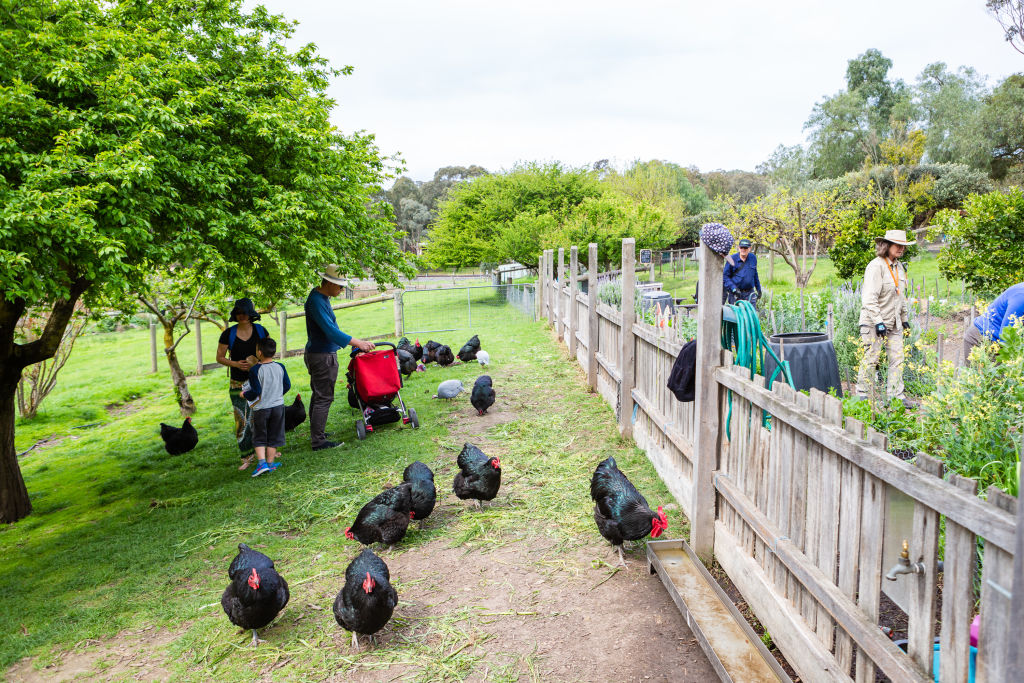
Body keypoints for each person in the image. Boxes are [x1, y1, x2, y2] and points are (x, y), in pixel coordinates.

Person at [304, 265, 375, 451]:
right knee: (324, 397)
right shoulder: (316, 301)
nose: (342, 290)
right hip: (321, 355)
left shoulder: (321, 297)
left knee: (318, 394)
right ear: (327, 282)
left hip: (320, 352)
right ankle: (318, 441)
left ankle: (317, 433)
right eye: (339, 286)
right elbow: (330, 331)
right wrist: (358, 343)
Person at [855, 229, 914, 407]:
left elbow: (900, 296)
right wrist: (879, 322)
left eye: (903, 246)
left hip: (894, 321)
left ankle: (896, 397)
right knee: (872, 358)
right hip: (874, 322)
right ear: (886, 246)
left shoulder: (899, 267)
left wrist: (904, 319)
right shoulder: (876, 266)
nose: (901, 249)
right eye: (898, 245)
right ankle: (862, 396)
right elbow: (869, 298)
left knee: (898, 358)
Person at [216, 298, 269, 470]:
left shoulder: (261, 331)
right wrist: (236, 364)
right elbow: (220, 357)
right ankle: (246, 456)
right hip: (237, 382)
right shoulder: (228, 334)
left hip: (260, 380)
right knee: (242, 419)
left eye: (245, 312)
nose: (242, 316)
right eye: (238, 313)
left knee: (262, 416)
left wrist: (257, 362)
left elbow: (269, 353)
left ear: (251, 313)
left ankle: (269, 451)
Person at [242, 337, 291, 478]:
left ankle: (262, 464)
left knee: (260, 435)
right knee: (274, 435)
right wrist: (276, 395)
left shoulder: (255, 370)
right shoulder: (280, 367)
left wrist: (244, 394)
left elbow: (255, 392)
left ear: (259, 352)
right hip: (278, 407)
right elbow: (287, 385)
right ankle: (270, 463)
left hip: (262, 409)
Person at [963, 282, 1024, 358]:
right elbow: (1006, 336)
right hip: (982, 340)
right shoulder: (1021, 298)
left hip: (1000, 341)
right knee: (997, 369)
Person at [723, 238, 762, 305]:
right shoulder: (732, 259)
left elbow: (755, 274)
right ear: (739, 248)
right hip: (735, 294)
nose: (743, 250)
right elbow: (725, 276)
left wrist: (758, 289)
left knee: (751, 314)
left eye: (745, 248)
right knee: (736, 314)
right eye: (741, 248)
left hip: (749, 293)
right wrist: (733, 288)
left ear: (750, 248)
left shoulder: (753, 258)